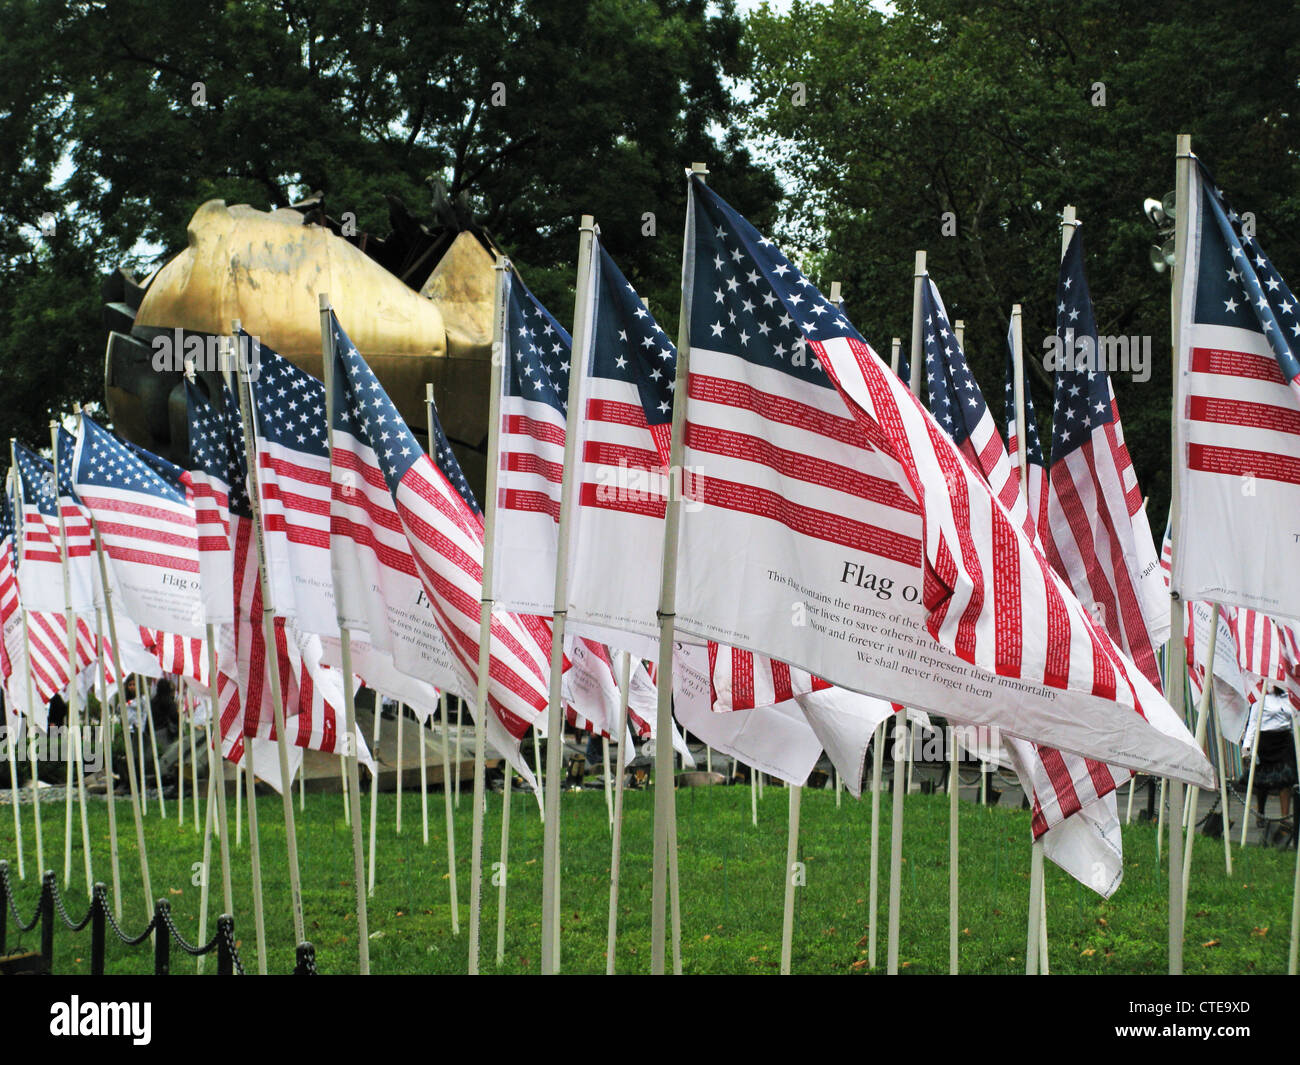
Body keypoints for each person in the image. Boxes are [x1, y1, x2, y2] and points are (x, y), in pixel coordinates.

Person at [1242, 685, 1297, 844]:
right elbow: (1252, 723)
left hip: (1284, 739)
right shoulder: (1260, 697)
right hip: (1265, 740)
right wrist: (1247, 748)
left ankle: (1285, 818)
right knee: (1263, 781)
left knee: (1285, 780)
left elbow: (1293, 717)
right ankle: (1260, 812)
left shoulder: (1288, 696)